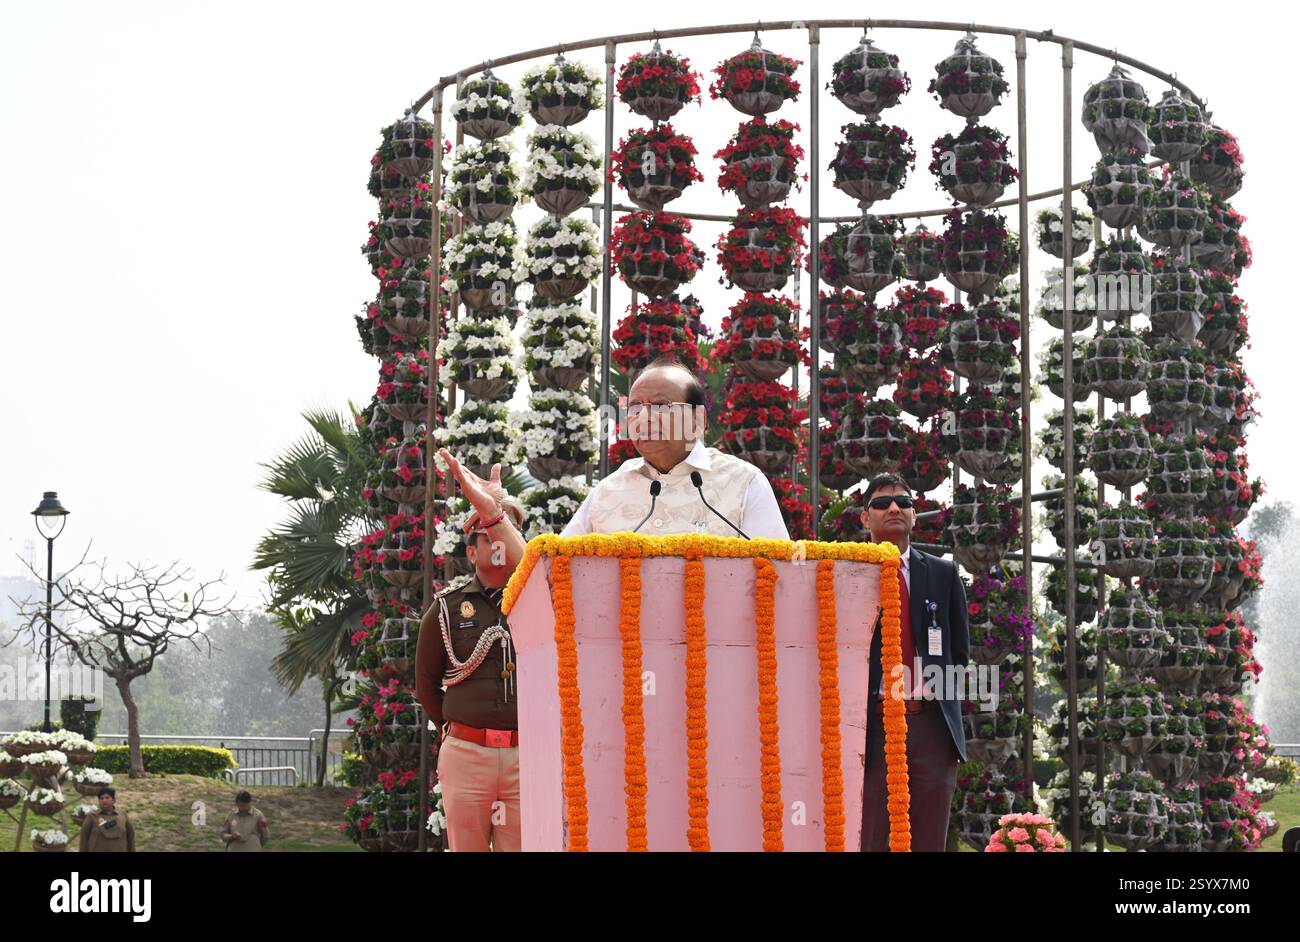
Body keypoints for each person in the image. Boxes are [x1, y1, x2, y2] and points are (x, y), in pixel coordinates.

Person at [560, 355, 790, 539]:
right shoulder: (608, 490)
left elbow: (776, 575)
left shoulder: (744, 482)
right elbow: (558, 569)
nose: (644, 417)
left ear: (697, 419)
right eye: (635, 407)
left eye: (661, 405)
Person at [859, 472, 970, 852]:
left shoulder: (942, 572)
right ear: (865, 518)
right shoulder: (844, 571)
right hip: (869, 728)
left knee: (929, 840)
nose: (894, 508)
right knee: (867, 837)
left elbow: (959, 653)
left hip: (930, 726)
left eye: (904, 502)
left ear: (914, 515)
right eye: (881, 503)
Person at [416, 495, 527, 852]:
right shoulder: (446, 609)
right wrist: (456, 730)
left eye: (508, 530)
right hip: (467, 753)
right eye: (488, 534)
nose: (500, 541)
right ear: (472, 553)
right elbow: (427, 684)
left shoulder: (545, 601)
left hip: (526, 755)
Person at [79, 786, 135, 852]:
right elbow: (84, 839)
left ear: (114, 800)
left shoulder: (122, 816)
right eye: (101, 798)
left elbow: (130, 837)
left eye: (107, 798)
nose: (104, 800)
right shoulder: (92, 817)